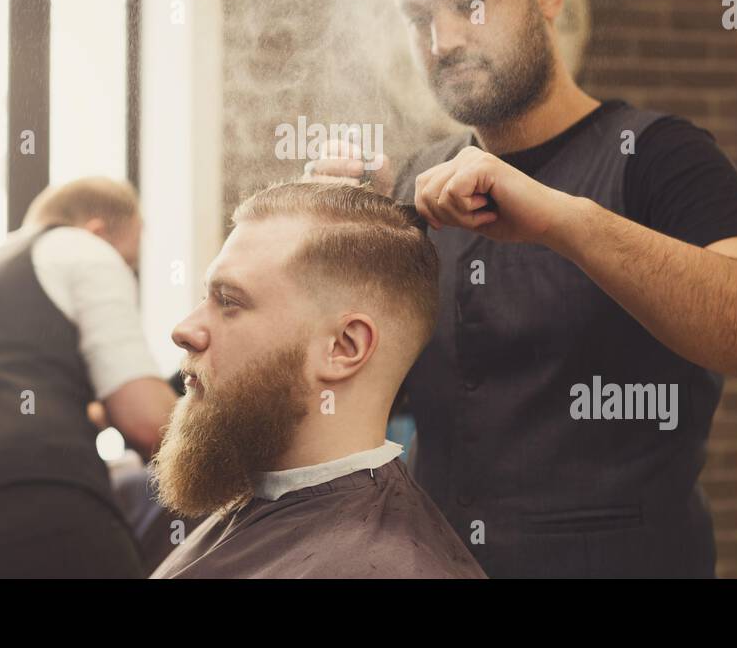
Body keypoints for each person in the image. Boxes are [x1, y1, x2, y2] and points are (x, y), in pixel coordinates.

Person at [307, 0, 737, 577]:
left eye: (470, 1)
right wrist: (333, 252)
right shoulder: (422, 181)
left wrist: (562, 220)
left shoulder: (660, 156)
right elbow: (358, 390)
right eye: (419, 17)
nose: (443, 40)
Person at [149, 182, 486, 579]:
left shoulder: (387, 567)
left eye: (229, 301)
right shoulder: (261, 503)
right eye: (205, 297)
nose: (184, 330)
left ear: (343, 347)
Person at [0, 177, 178, 578]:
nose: (126, 271)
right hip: (45, 519)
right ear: (97, 231)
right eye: (128, 262)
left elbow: (2, 410)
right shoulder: (84, 249)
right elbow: (150, 424)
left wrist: (96, 416)